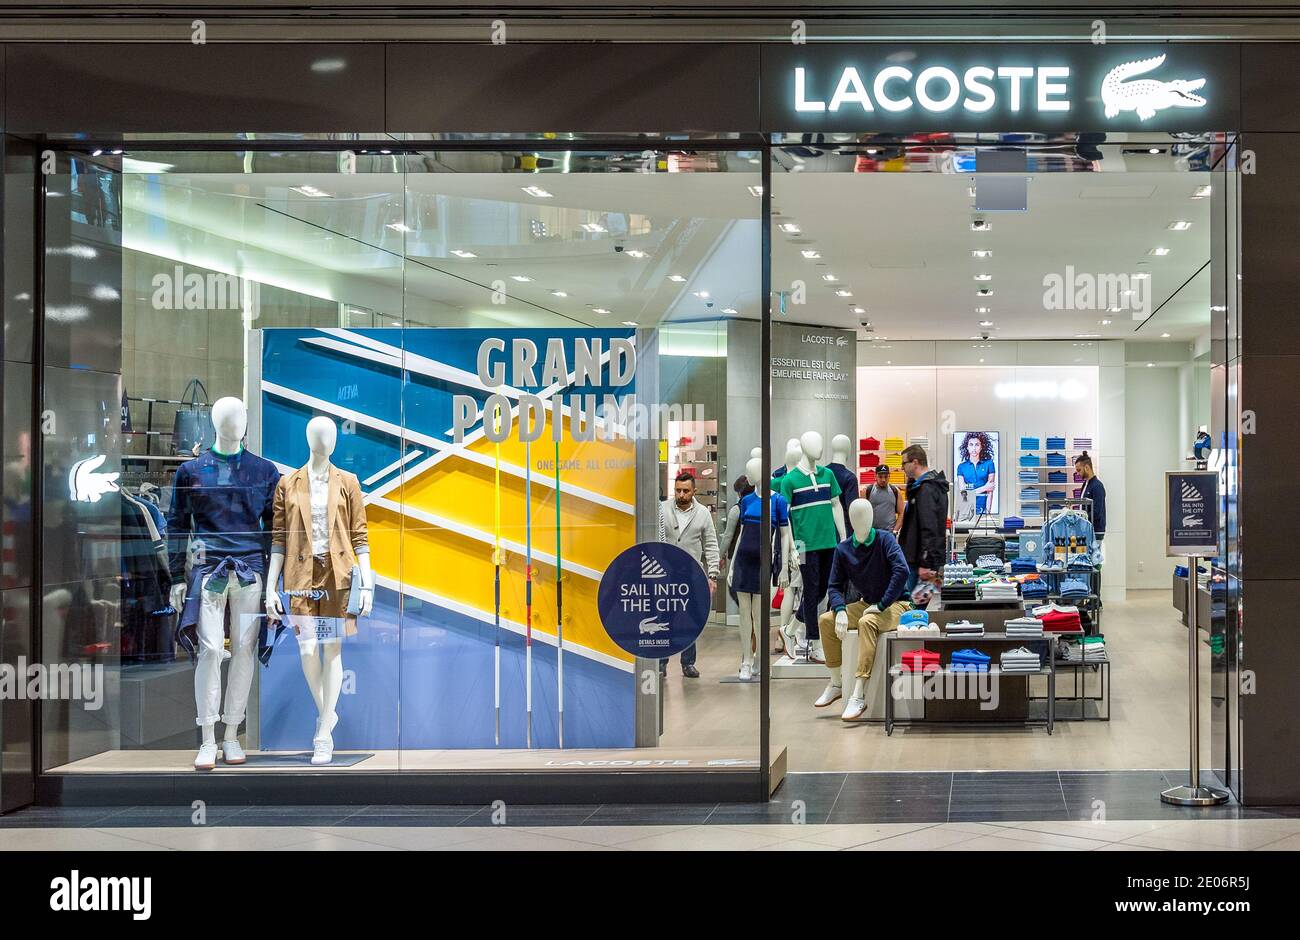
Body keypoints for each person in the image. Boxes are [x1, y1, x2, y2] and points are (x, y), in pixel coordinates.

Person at [813, 498, 911, 721]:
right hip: (867, 603)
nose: (862, 520)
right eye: (857, 516)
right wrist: (839, 609)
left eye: (865, 515)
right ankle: (836, 682)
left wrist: (882, 604)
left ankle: (859, 693)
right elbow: (834, 585)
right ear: (850, 519)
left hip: (897, 604)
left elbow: (902, 571)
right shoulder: (844, 548)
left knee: (868, 623)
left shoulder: (885, 540)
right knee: (826, 620)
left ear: (872, 517)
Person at [659, 471, 719, 678]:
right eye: (678, 490)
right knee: (663, 617)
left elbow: (711, 544)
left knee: (691, 618)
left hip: (691, 573)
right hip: (664, 573)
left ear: (694, 491)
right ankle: (661, 662)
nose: (681, 494)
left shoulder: (702, 513)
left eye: (685, 490)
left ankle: (688, 663)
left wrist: (712, 574)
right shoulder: (662, 509)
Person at [896, 444, 950, 596]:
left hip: (921, 563)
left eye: (904, 463)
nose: (902, 468)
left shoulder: (927, 489)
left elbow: (929, 528)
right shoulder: (926, 486)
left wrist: (925, 563)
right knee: (923, 606)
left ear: (915, 462)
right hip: (923, 560)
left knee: (918, 610)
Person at [955, 431, 997, 518]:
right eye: (971, 444)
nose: (974, 448)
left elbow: (990, 491)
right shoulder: (961, 467)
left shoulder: (989, 464)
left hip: (983, 511)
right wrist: (984, 488)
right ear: (967, 447)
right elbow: (963, 494)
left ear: (981, 447)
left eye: (977, 445)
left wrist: (987, 513)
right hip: (966, 510)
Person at [1074, 452, 1107, 539]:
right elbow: (1082, 506)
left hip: (1095, 531)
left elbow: (1097, 512)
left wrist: (1079, 519)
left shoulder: (1097, 486)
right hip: (1086, 528)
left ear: (1087, 467)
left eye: (1079, 470)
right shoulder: (1085, 484)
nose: (1077, 473)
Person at [867, 464, 905, 534]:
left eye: (886, 477)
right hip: (872, 533)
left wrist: (895, 530)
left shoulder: (895, 491)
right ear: (875, 476)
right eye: (880, 477)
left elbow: (902, 513)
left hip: (889, 532)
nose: (883, 480)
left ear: (889, 476)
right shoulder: (867, 491)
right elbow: (862, 513)